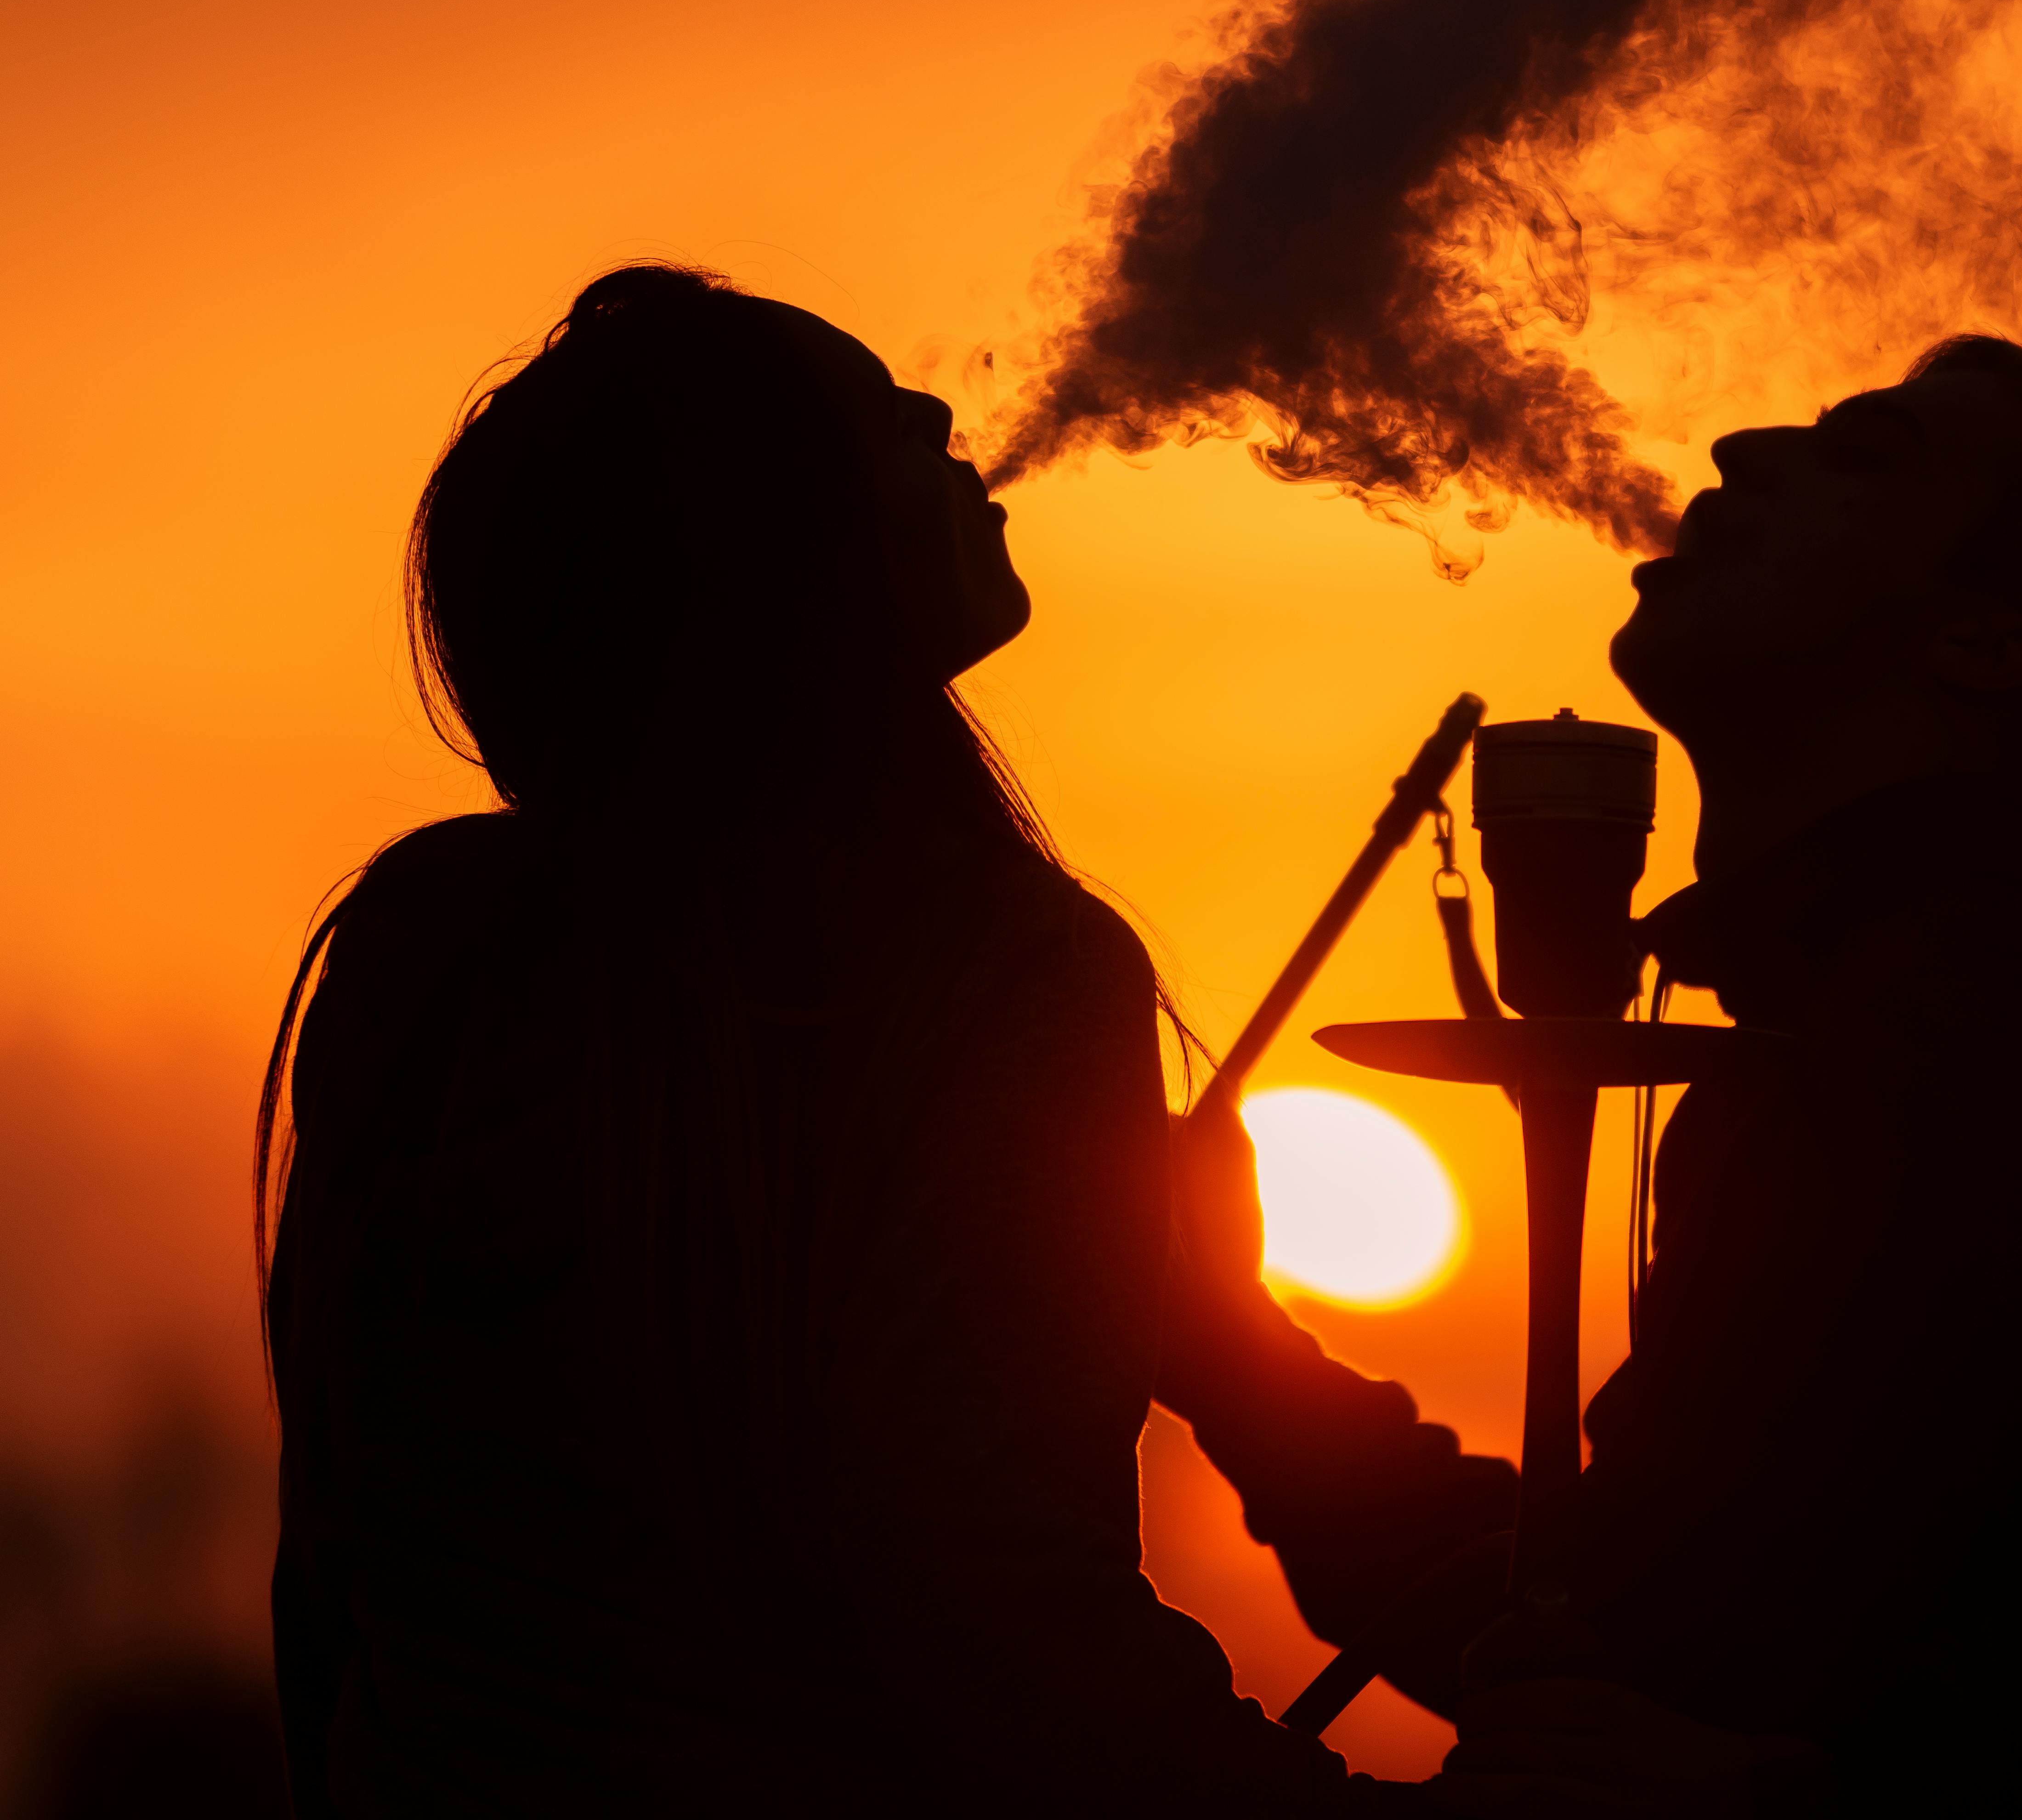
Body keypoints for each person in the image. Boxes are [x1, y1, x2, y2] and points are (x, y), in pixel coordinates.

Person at [256, 264, 1508, 1815]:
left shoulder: (424, 948)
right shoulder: (997, 968)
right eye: (866, 410)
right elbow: (1008, 1641)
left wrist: (1182, 1295)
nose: (935, 409)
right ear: (766, 543)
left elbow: (335, 1571)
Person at [1187, 336, 2022, 1813]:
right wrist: (1221, 1346)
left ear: (1989, 641)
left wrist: (1792, 1792)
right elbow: (1599, 1633)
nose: (1740, 452)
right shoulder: (1843, 1024)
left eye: (1862, 455)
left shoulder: (1985, 1008)